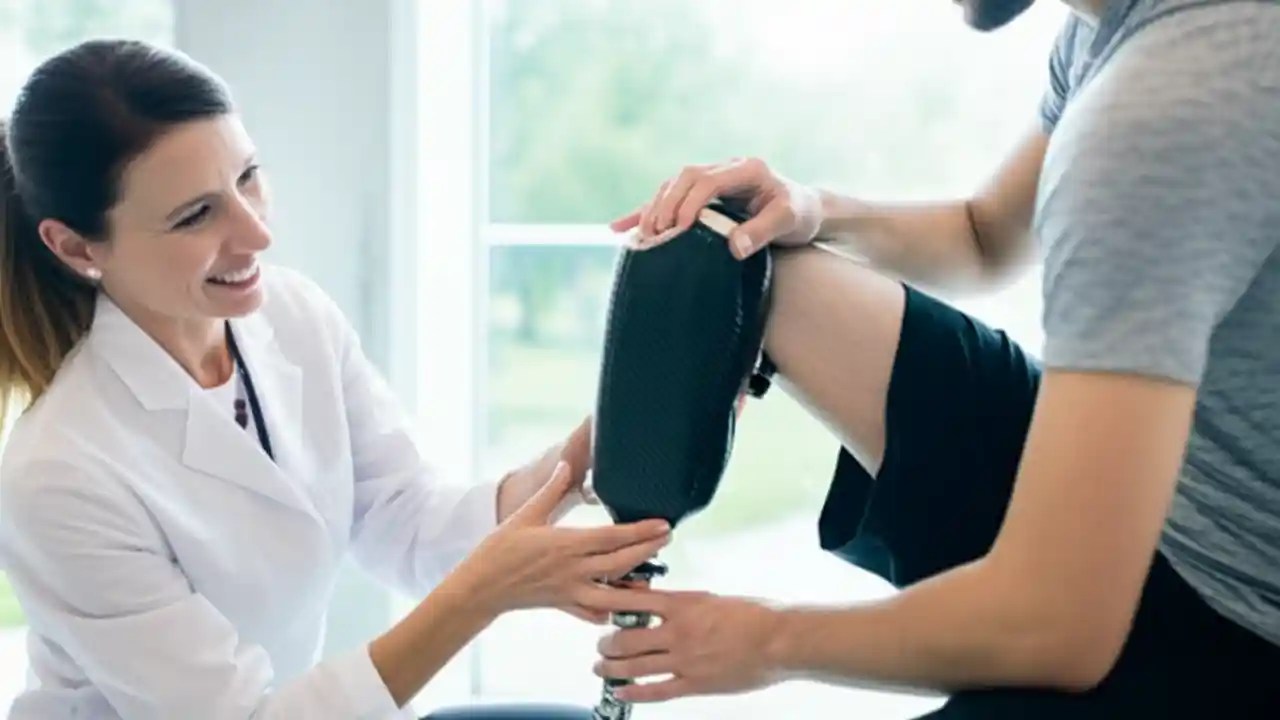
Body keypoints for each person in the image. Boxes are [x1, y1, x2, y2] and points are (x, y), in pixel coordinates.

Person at [592, 0, 1280, 716]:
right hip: (1169, 489)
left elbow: (1061, 625)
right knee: (764, 266)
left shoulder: (1165, 110)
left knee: (1036, 624)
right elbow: (985, 237)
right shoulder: (1111, 25)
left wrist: (765, 639)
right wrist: (813, 210)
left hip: (1233, 623)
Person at [0, 40, 671, 719]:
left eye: (249, 177)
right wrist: (482, 593)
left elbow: (409, 522)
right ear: (77, 247)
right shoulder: (57, 473)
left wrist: (586, 456)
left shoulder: (295, 318)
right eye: (196, 215)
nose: (256, 232)